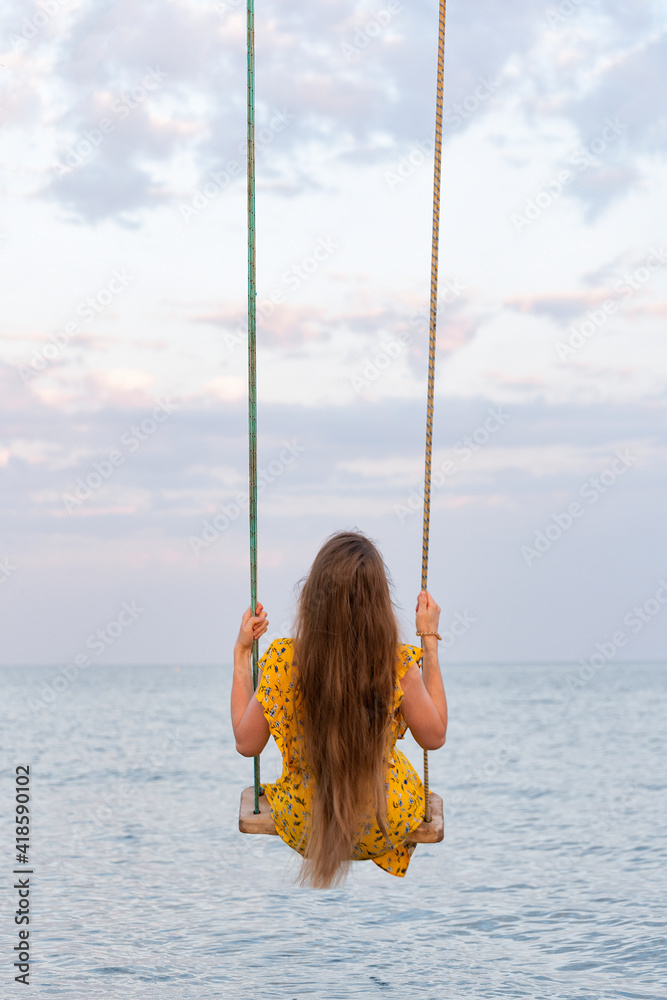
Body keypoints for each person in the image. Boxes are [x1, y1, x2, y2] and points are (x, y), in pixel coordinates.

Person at [231, 530, 447, 888]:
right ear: (379, 601)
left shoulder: (283, 661)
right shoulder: (396, 664)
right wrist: (429, 641)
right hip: (383, 822)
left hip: (306, 823)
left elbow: (246, 743)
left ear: (311, 595)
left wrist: (242, 655)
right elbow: (434, 736)